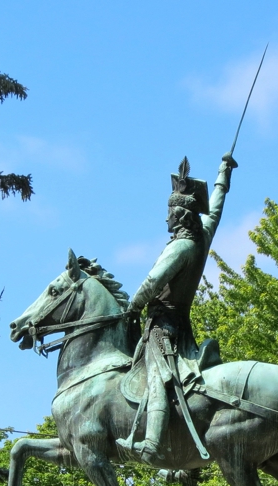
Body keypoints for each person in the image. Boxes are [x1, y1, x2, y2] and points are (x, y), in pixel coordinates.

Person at [116, 152, 238, 464]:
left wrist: (131, 308)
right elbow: (217, 209)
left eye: (170, 213)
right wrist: (224, 175)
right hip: (182, 324)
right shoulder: (202, 235)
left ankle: (153, 442)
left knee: (157, 379)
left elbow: (152, 282)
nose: (167, 218)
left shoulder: (180, 247)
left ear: (182, 216)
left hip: (163, 328)